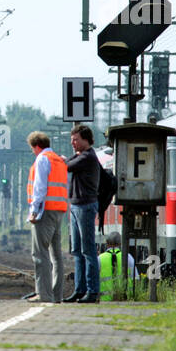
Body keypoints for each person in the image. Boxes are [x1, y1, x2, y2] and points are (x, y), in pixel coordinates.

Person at [25, 131, 68, 303]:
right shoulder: (58, 160)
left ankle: (43, 295)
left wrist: (34, 210)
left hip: (45, 211)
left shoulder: (42, 159)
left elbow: (40, 187)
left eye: (32, 149)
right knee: (56, 255)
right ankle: (56, 295)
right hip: (59, 210)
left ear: (36, 146)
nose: (33, 152)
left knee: (40, 253)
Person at [63, 124, 101, 304]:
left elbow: (67, 166)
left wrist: (64, 160)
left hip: (85, 206)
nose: (73, 143)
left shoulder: (88, 157)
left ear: (86, 140)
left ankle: (92, 291)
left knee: (88, 250)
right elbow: (70, 161)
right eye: (72, 140)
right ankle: (80, 290)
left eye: (76, 139)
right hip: (76, 206)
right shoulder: (81, 156)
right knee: (77, 251)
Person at [99, 233, 139, 301]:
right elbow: (136, 279)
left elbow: (92, 280)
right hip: (126, 300)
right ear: (120, 243)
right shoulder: (128, 257)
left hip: (104, 300)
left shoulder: (99, 258)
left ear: (107, 243)